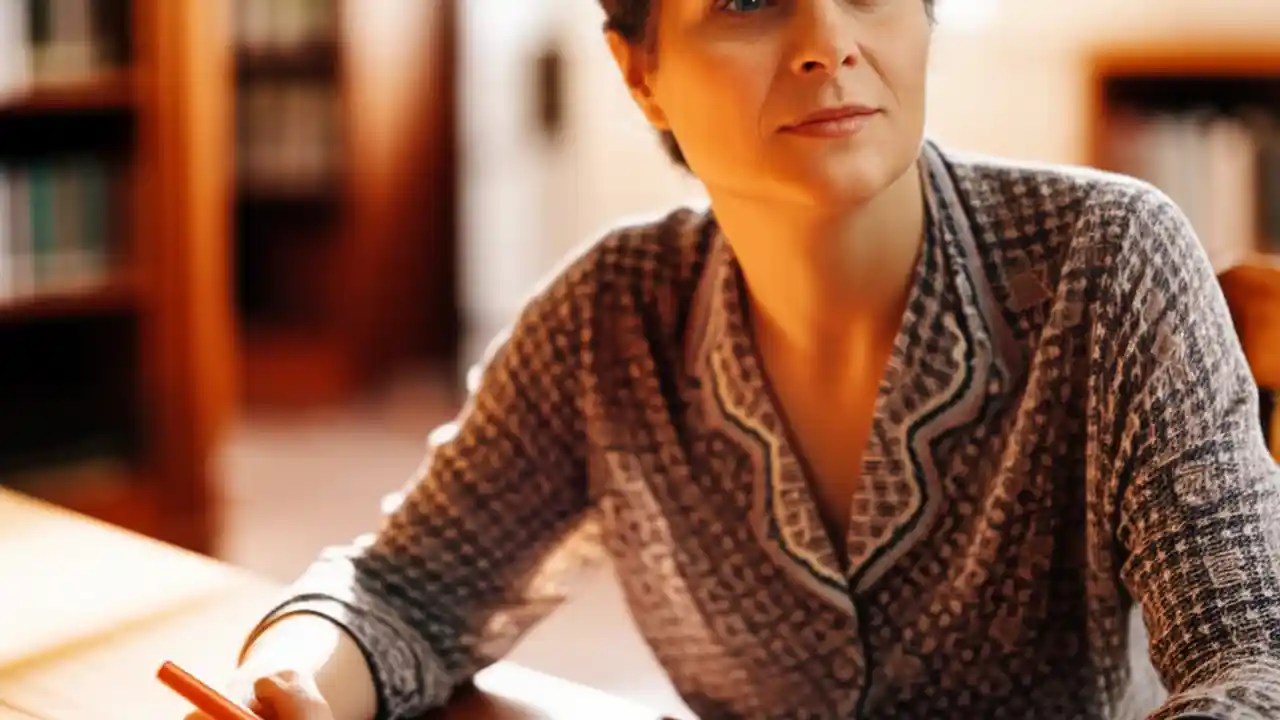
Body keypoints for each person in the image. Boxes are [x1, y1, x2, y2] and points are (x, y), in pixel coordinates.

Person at [191, 0, 1280, 718]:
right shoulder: (605, 317)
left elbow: (1251, 657)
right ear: (637, 70)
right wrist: (295, 686)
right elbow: (401, 587)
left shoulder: (1107, 257)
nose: (826, 43)